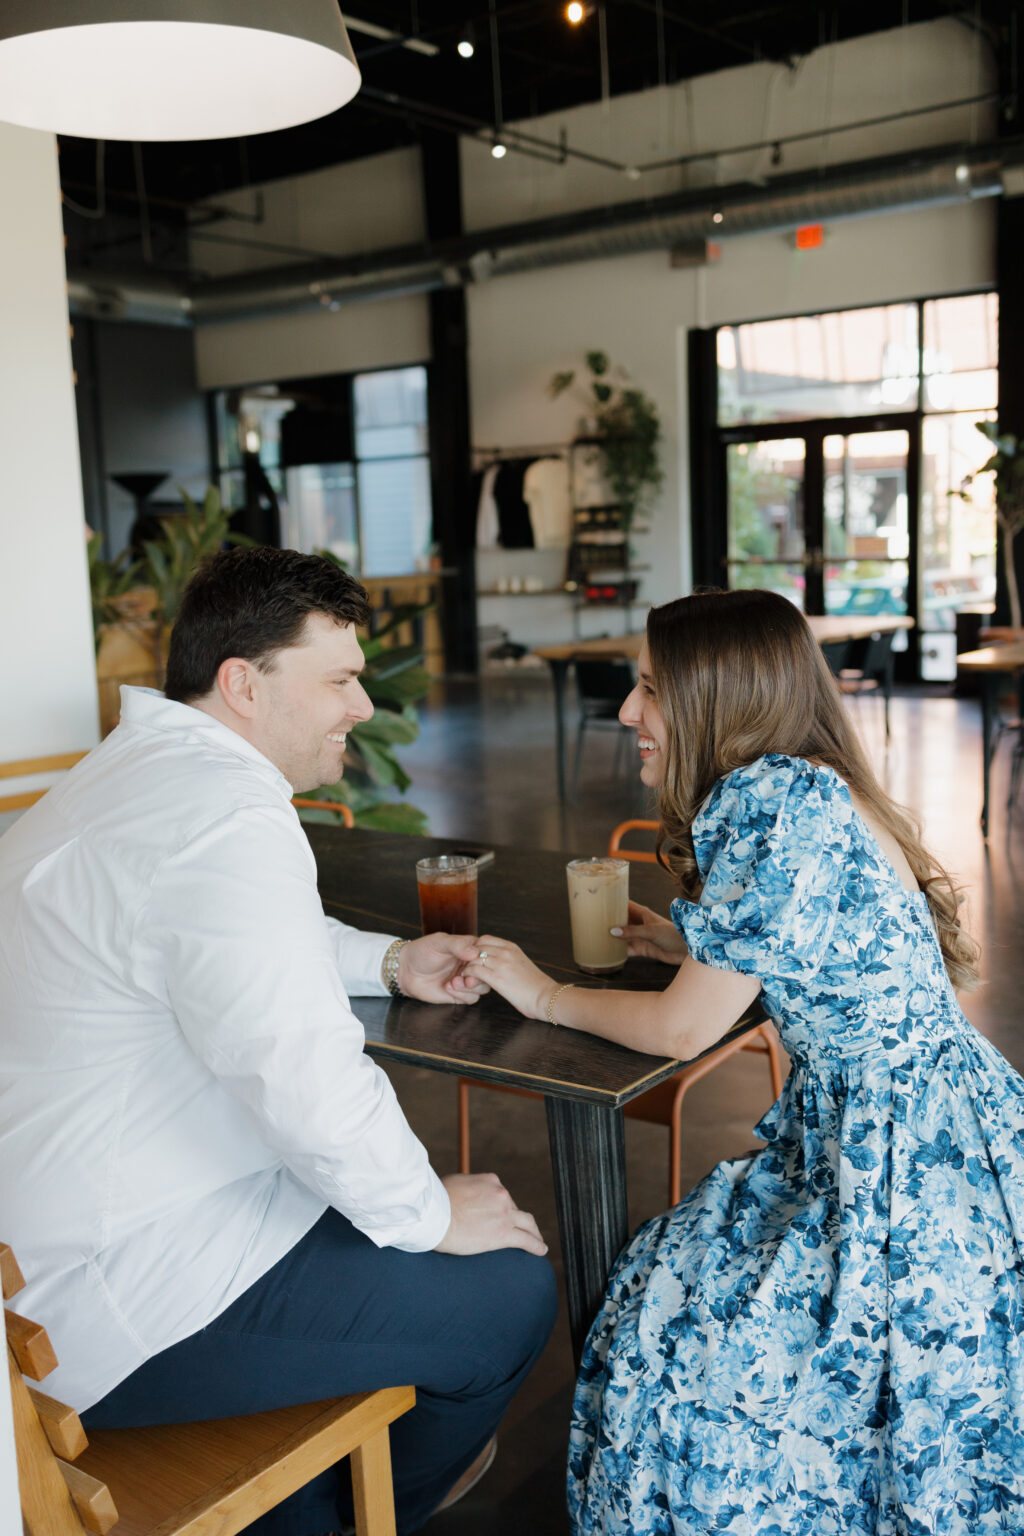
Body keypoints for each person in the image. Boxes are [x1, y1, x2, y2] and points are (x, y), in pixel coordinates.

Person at [0, 547, 557, 1535]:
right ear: (243, 684)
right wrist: (429, 1215)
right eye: (339, 679)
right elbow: (301, 1074)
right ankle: (349, 1513)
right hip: (121, 1296)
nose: (362, 707)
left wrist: (388, 962)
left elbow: (210, 941)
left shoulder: (126, 780)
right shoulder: (221, 816)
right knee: (508, 1288)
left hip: (42, 1265)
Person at [462, 588, 1024, 1535]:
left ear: (716, 699)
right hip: (942, 1124)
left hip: (894, 1162)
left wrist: (543, 993)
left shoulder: (771, 802)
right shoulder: (810, 782)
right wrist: (692, 949)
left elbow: (684, 1035)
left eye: (649, 689)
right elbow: (823, 944)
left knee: (673, 1322)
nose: (630, 713)